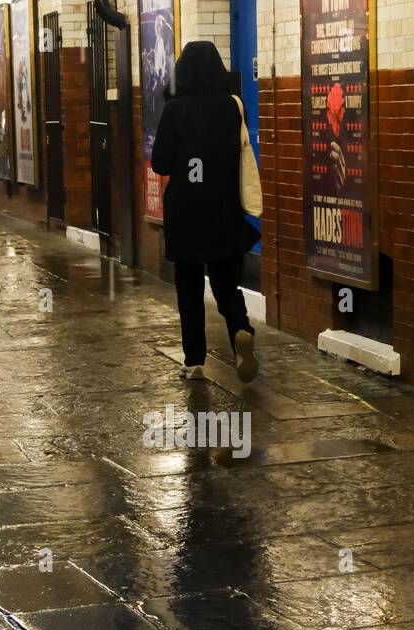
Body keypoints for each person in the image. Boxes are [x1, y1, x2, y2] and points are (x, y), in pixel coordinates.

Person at [150, 41, 258, 383]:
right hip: (223, 209)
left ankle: (195, 360)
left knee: (190, 288)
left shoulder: (175, 109)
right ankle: (241, 330)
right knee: (227, 284)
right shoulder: (232, 106)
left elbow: (161, 162)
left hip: (186, 212)